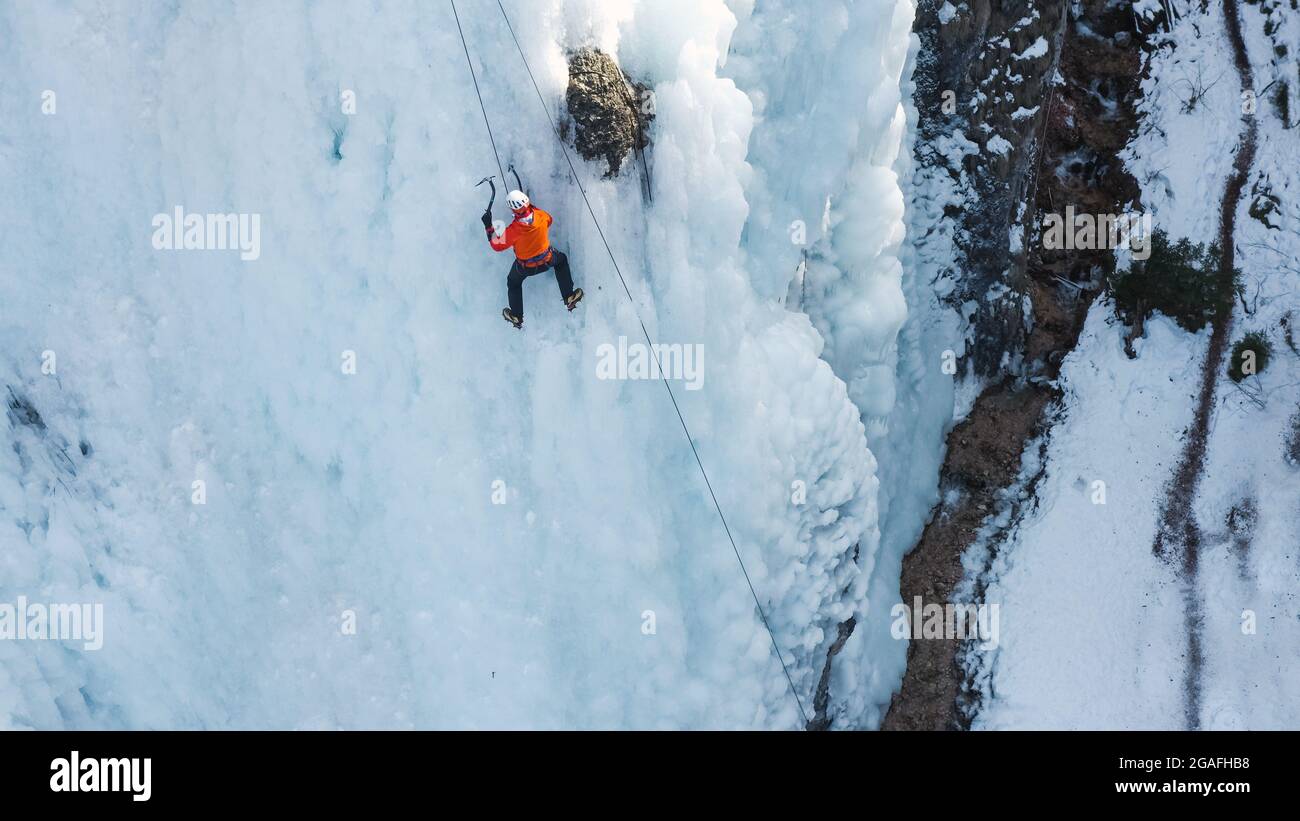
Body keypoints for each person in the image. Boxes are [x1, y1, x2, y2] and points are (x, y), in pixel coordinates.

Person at [482, 190, 583, 328]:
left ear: (514, 210)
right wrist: (531, 209)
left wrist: (488, 226)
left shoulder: (514, 230)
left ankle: (517, 316)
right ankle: (568, 296)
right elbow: (549, 220)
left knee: (513, 283)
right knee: (562, 261)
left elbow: (496, 245)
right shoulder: (541, 216)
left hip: (525, 268)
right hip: (548, 260)